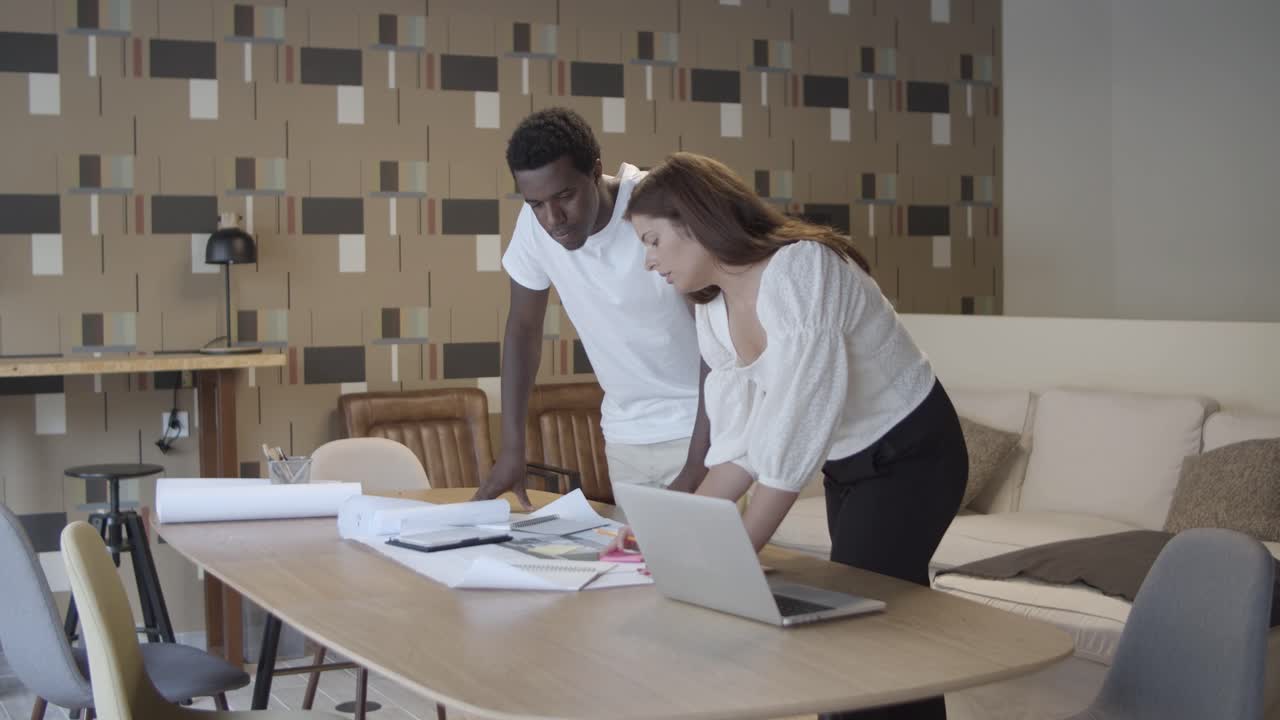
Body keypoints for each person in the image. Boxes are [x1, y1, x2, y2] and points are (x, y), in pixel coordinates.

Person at [620, 152, 967, 720]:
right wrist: (678, 543)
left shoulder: (804, 268)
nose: (648, 261)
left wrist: (729, 556)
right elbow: (739, 445)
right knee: (885, 624)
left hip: (913, 452)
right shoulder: (713, 311)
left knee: (858, 625)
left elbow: (796, 426)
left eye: (653, 240)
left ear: (695, 221)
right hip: (849, 464)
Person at [472, 108, 711, 510]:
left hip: (703, 428)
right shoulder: (536, 225)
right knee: (636, 572)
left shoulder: (656, 206)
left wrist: (700, 457)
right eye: (536, 204)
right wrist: (512, 449)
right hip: (625, 437)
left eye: (565, 196)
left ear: (596, 170)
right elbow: (523, 330)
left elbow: (716, 333)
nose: (553, 219)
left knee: (713, 570)